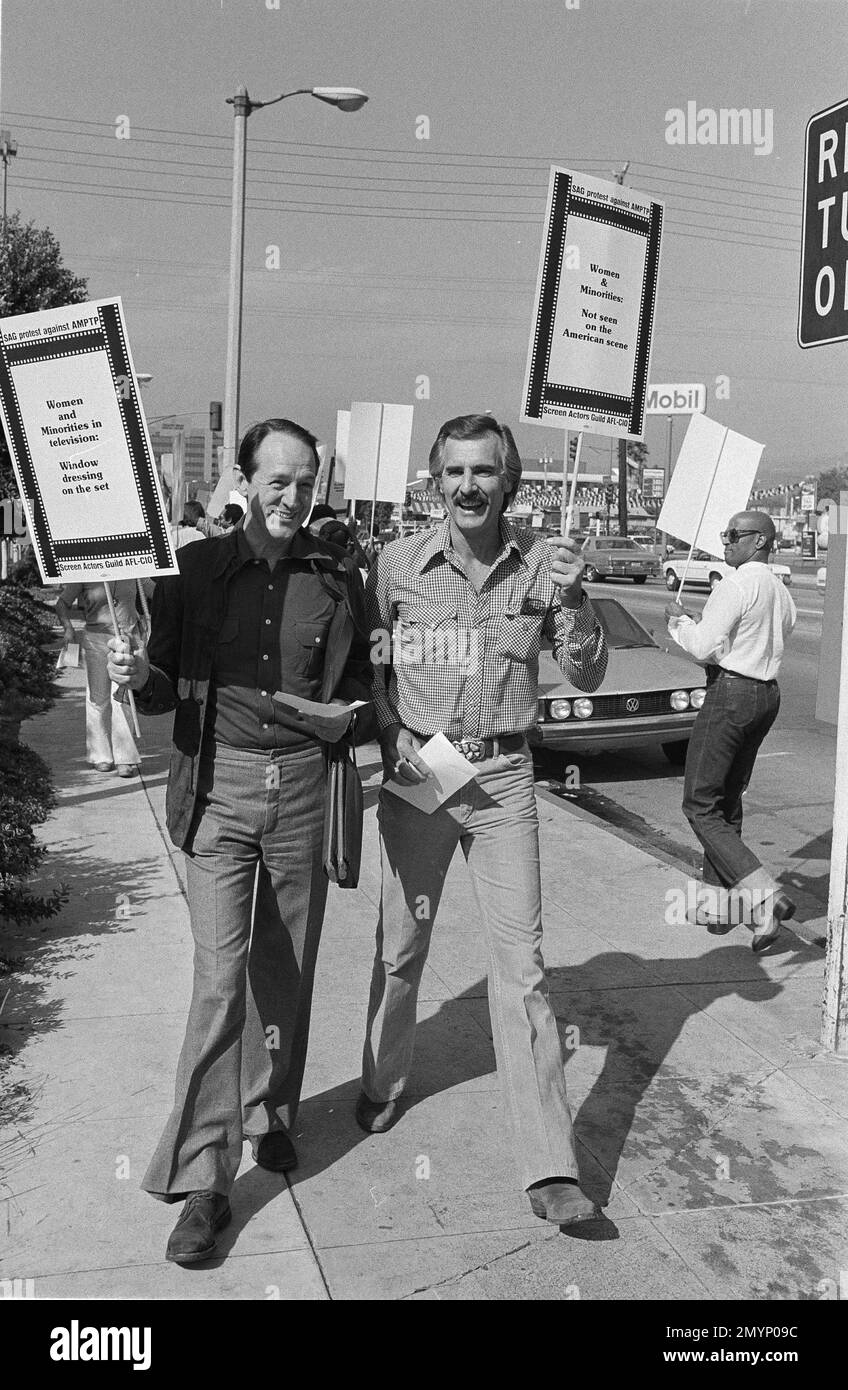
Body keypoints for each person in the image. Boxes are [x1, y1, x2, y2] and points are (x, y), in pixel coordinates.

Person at [107, 417, 371, 1264]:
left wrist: (359, 717)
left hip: (302, 791)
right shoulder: (196, 571)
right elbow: (161, 692)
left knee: (284, 971)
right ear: (242, 477)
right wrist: (137, 674)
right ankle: (205, 1181)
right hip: (218, 791)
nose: (291, 497)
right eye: (277, 480)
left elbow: (362, 675)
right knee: (221, 982)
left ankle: (273, 1112)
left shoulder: (337, 578)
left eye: (305, 482)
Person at [358, 413, 608, 1227]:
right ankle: (382, 1080)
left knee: (524, 969)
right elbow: (373, 668)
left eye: (484, 472)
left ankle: (549, 1169)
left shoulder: (544, 563)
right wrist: (391, 736)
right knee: (401, 946)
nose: (468, 487)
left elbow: (588, 669)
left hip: (502, 774)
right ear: (436, 481)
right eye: (454, 473)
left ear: (511, 481)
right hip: (423, 771)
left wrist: (574, 594)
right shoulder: (397, 563)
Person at [665, 510, 797, 951]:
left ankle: (764, 896)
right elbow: (771, 636)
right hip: (766, 695)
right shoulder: (780, 590)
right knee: (727, 798)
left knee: (700, 804)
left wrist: (678, 622)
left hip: (732, 694)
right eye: (725, 534)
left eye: (734, 535)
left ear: (759, 540)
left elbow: (703, 645)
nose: (726, 542)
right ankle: (725, 907)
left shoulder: (735, 584)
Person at [54, 580, 141, 778]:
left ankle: (125, 758)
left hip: (126, 638)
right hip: (95, 639)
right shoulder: (86, 571)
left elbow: (158, 590)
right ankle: (100, 756)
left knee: (123, 698)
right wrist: (68, 628)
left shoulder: (132, 568)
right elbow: (62, 603)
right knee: (98, 698)